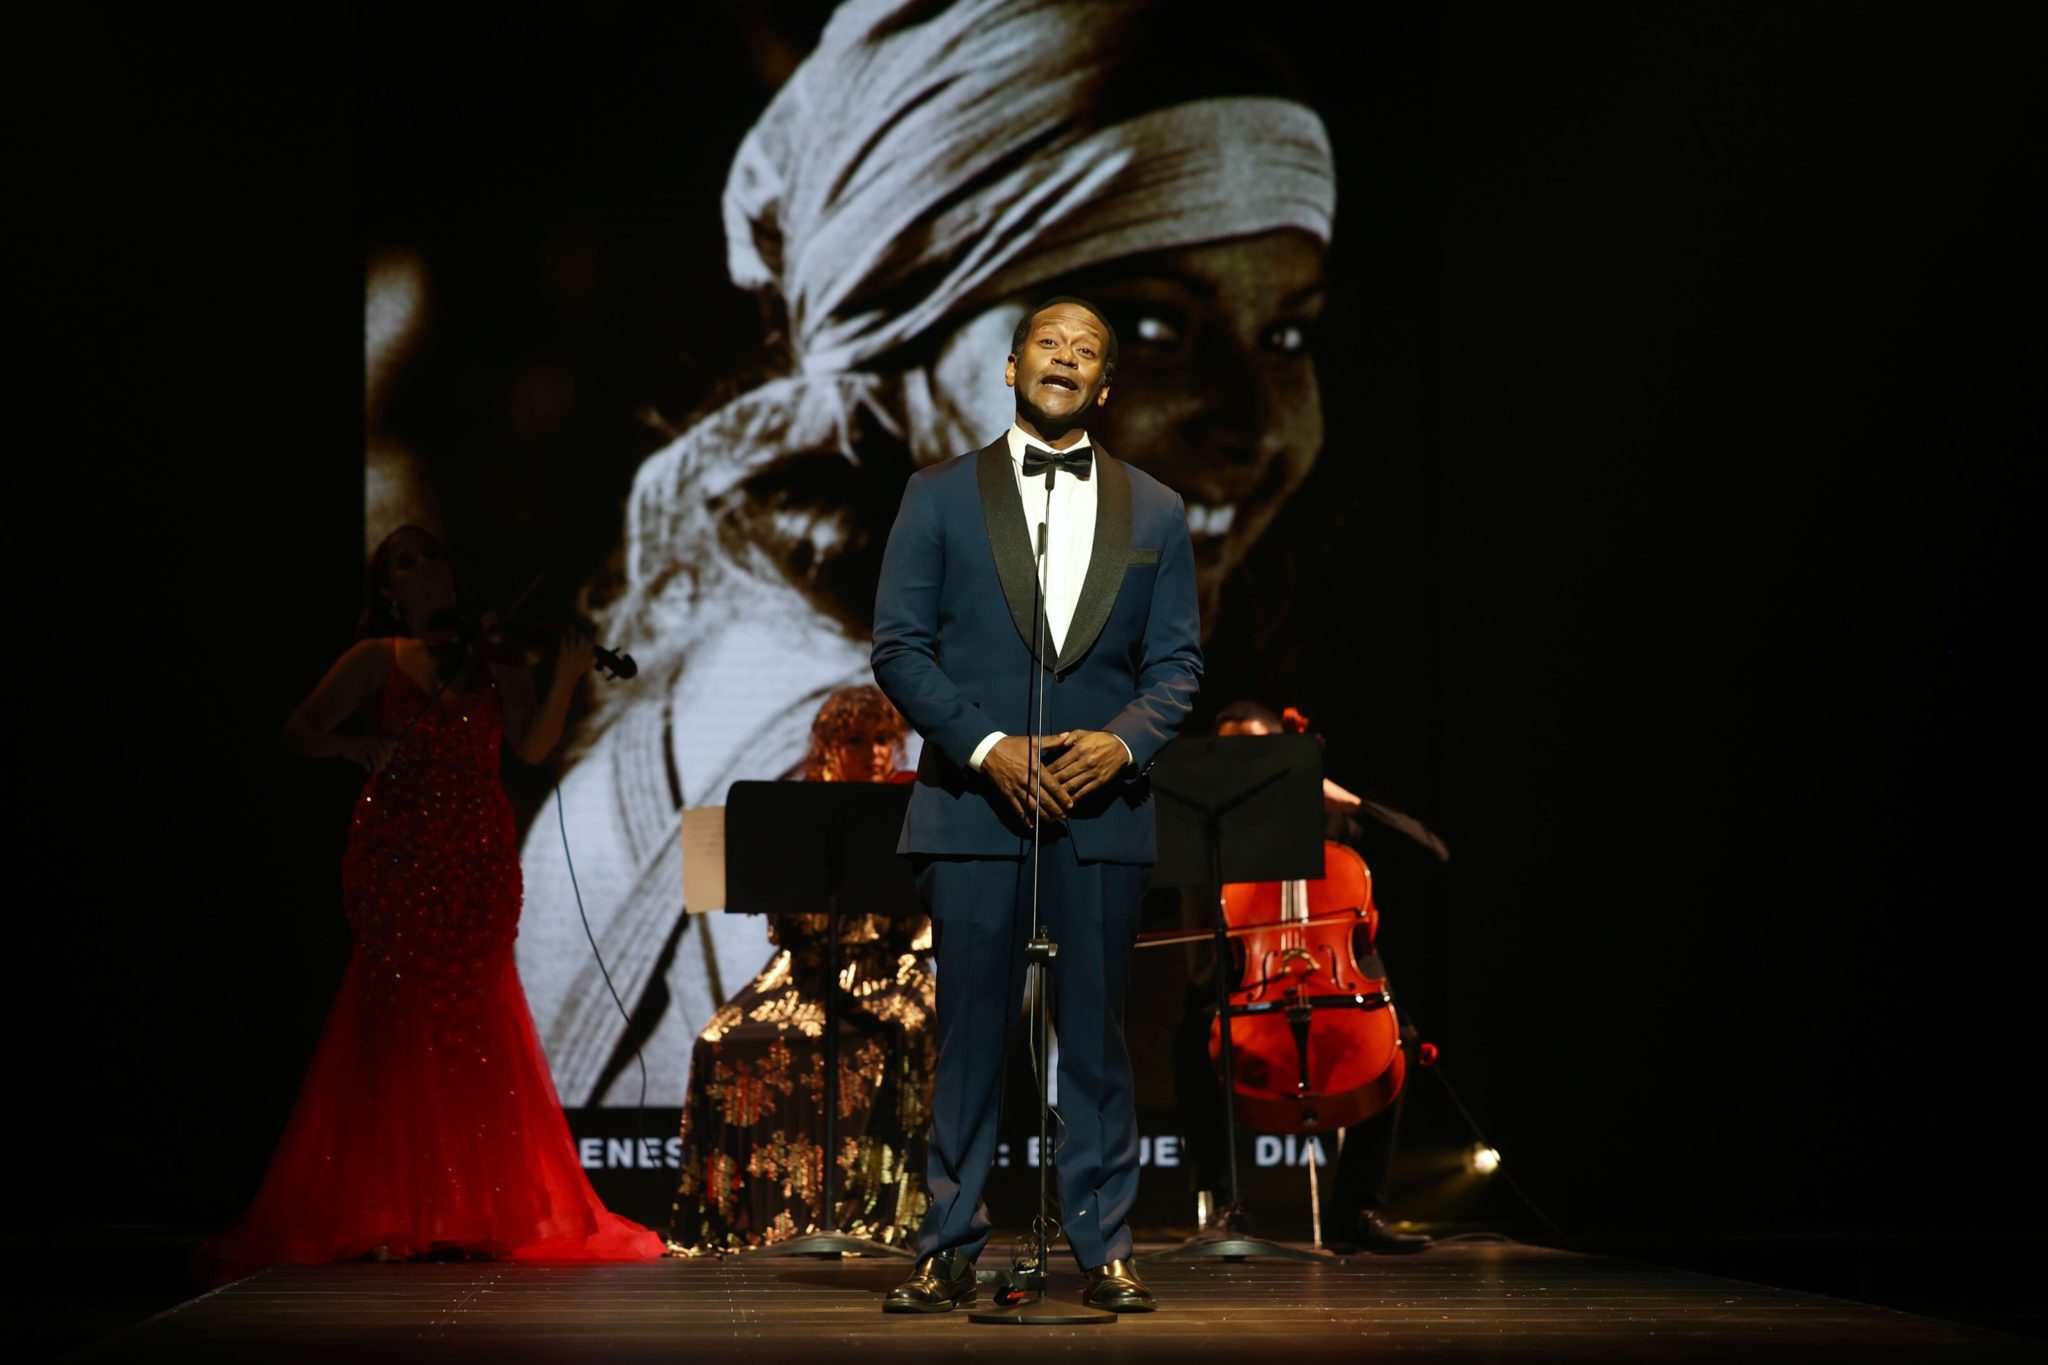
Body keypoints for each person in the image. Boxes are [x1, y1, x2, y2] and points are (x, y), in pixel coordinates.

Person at [516, 0, 1337, 1109]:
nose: (1250, 422)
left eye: (1284, 335)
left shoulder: (793, 657)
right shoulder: (846, 742)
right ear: (900, 344)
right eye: (1146, 329)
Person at [197, 526, 663, 1283]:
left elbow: (534, 748)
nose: (428, 567)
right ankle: (388, 1210)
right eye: (406, 560)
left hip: (477, 858)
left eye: (435, 553)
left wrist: (572, 676)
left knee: (475, 1017)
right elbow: (298, 728)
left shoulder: (493, 657)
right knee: (395, 1014)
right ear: (389, 590)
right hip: (395, 856)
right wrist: (352, 750)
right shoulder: (375, 660)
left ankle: (469, 1211)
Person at [870, 296, 1202, 1313]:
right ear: (1010, 368)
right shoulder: (933, 496)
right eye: (1048, 344)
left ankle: (1105, 1246)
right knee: (969, 1034)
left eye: (1086, 351)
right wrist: (983, 746)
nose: (1065, 357)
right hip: (975, 807)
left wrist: (1121, 742)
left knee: (1096, 1040)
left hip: (1099, 813)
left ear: (1104, 386)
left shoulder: (1155, 508)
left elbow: (1177, 664)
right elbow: (898, 649)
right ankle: (948, 1242)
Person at [1170, 699, 1446, 1255]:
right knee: (1192, 1042)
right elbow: (1201, 952)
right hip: (1249, 987)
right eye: (1229, 755)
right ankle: (1224, 1204)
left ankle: (1359, 1209)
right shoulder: (1210, 834)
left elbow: (1431, 854)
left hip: (1340, 985)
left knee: (1398, 1041)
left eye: (1258, 752)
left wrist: (1353, 803)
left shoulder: (1333, 819)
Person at [667, 684, 936, 1254]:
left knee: (907, 1033)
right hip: (802, 975)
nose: (874, 751)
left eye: (884, 738)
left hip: (893, 973)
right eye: (856, 740)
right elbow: (775, 914)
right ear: (828, 748)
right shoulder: (791, 810)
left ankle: (886, 1214)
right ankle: (759, 1221)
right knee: (717, 1041)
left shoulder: (919, 804)